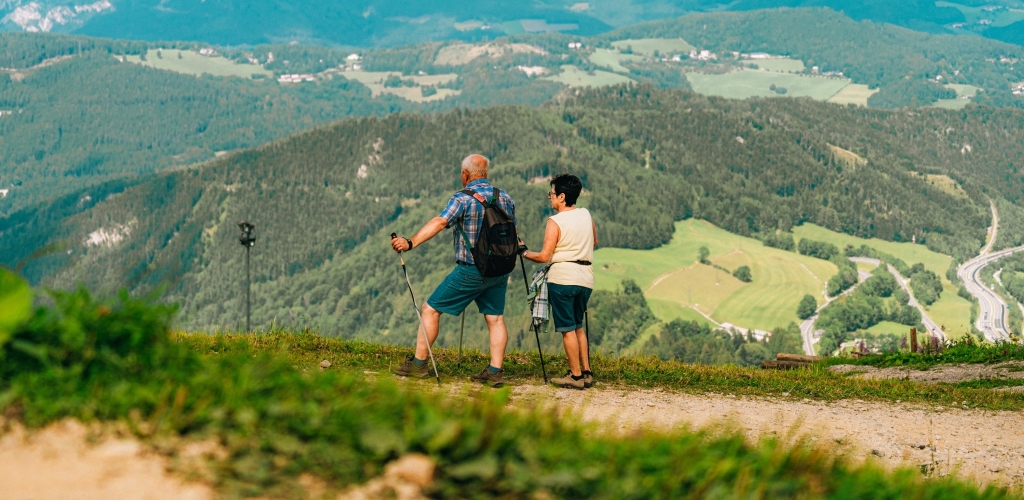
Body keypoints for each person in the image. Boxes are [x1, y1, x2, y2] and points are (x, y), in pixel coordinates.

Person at [390, 154, 516, 387]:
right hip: (500, 270)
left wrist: (410, 242)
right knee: (496, 318)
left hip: (471, 270)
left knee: (430, 309)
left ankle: (419, 364)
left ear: (465, 175)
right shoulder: (505, 198)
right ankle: (495, 371)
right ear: (485, 174)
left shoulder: (462, 199)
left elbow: (440, 222)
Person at [522, 174, 596, 389]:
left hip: (563, 278)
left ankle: (575, 377)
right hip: (585, 278)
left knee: (567, 328)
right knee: (578, 325)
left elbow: (544, 256)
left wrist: (524, 252)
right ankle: (587, 372)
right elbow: (595, 240)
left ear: (562, 197)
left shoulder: (555, 221)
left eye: (551, 194)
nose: (550, 198)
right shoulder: (586, 215)